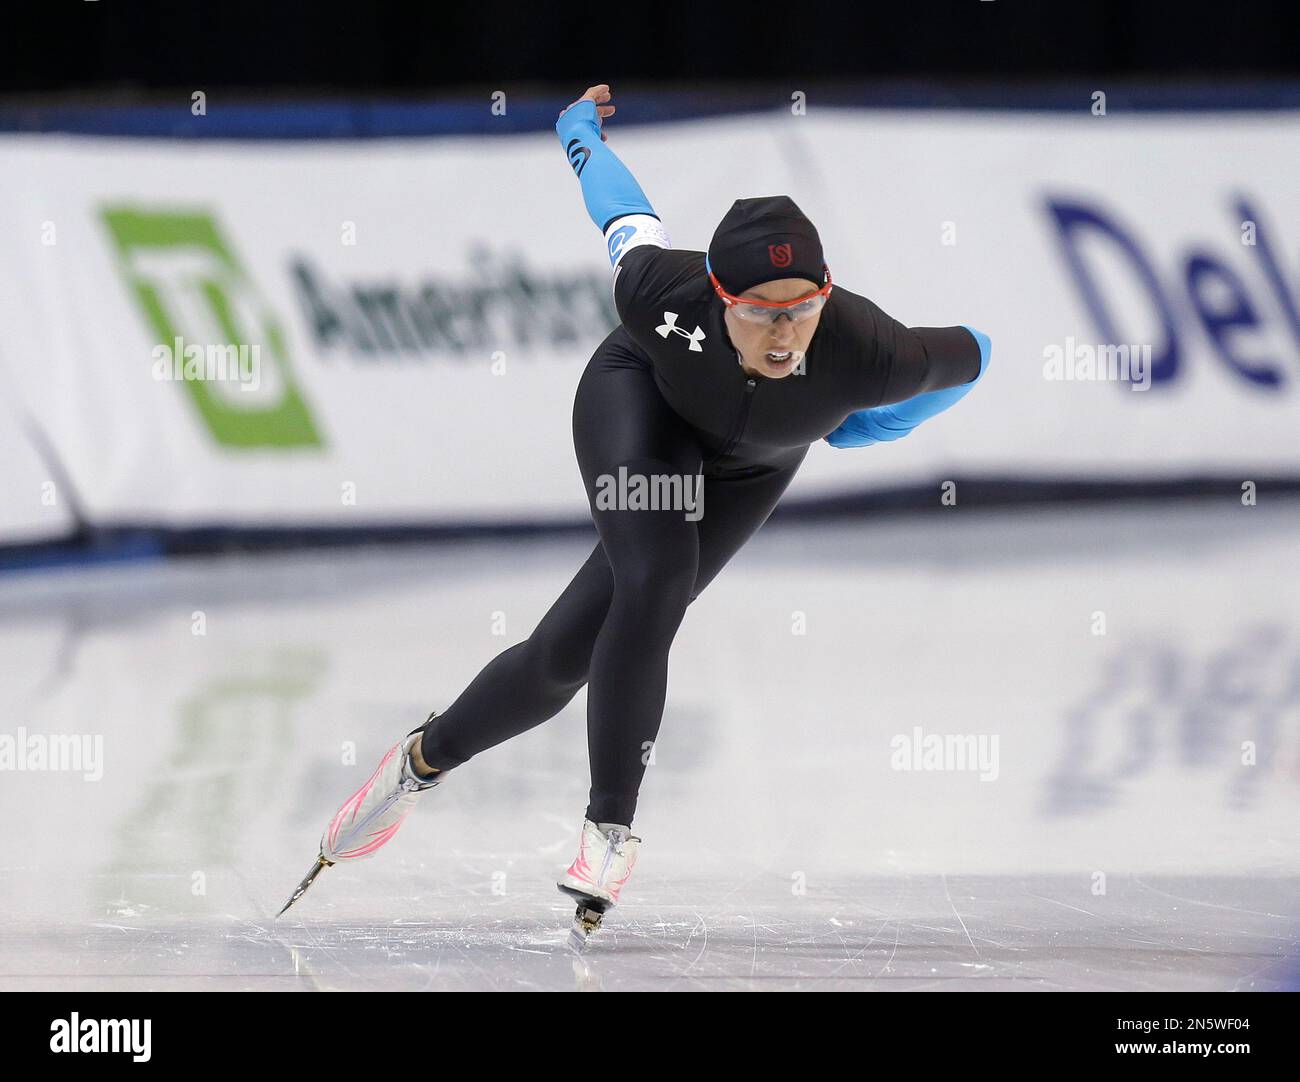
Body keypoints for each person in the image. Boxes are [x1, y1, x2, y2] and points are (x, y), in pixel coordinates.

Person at [282, 84, 991, 945]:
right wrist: (577, 132)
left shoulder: (872, 349)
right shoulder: (662, 289)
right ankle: (609, 831)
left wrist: (880, 424)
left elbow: (977, 354)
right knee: (655, 581)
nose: (783, 333)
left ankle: (417, 762)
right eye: (760, 312)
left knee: (562, 656)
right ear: (720, 297)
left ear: (827, 296)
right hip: (640, 414)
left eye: (801, 310)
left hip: (748, 470)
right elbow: (623, 210)